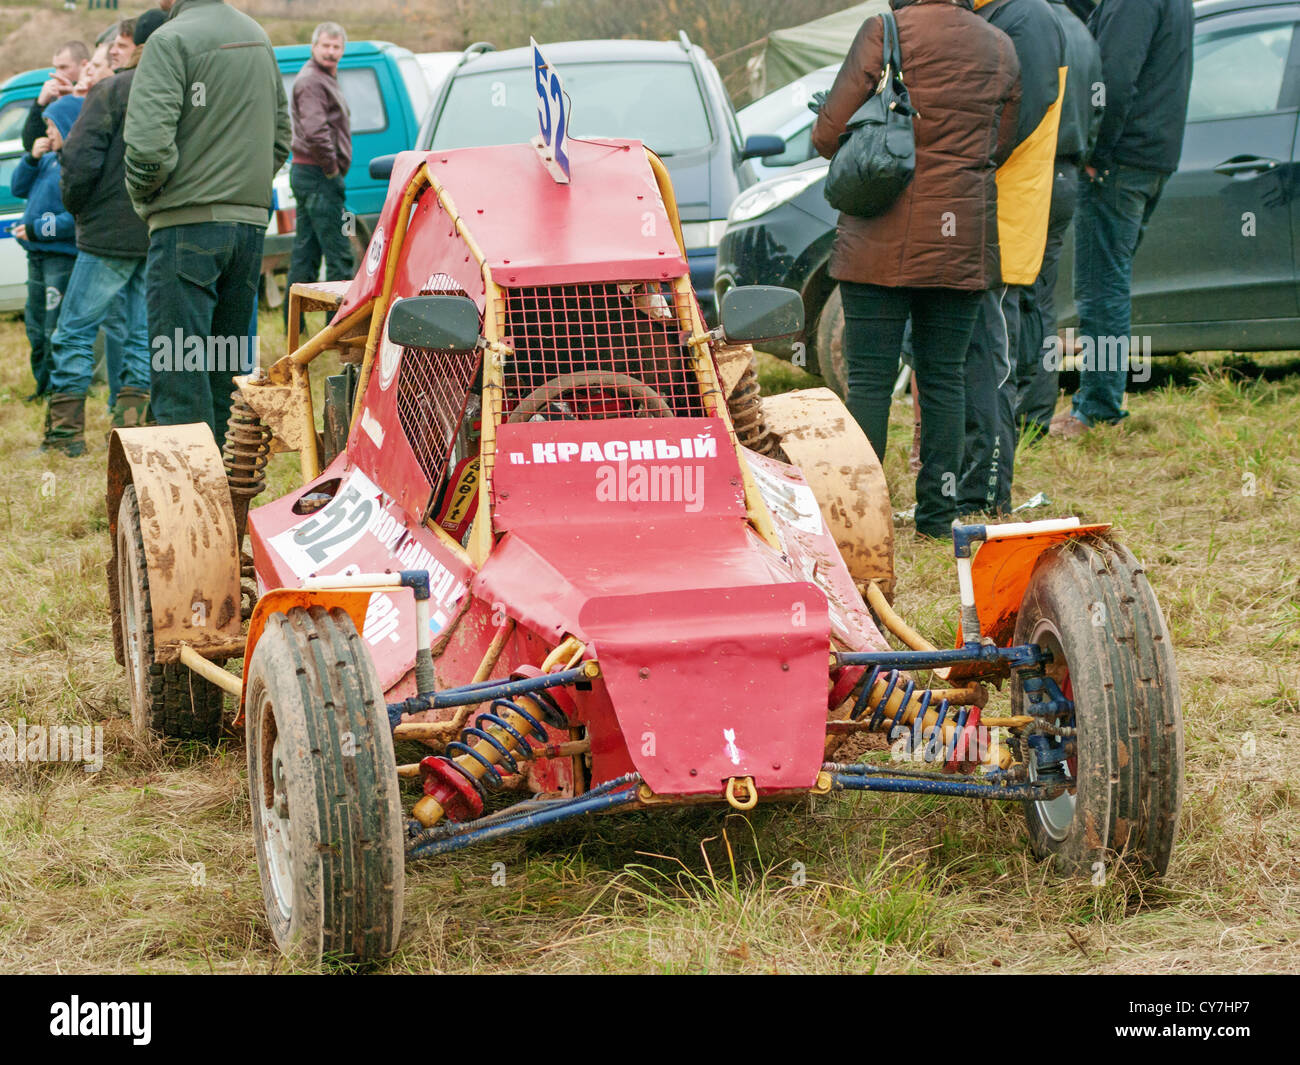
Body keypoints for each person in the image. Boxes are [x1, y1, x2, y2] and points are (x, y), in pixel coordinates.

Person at [811, 0, 1021, 541]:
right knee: (944, 378)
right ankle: (937, 516)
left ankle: (863, 515)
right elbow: (1002, 140)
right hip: (963, 240)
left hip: (879, 239)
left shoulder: (884, 31)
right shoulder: (998, 44)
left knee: (870, 381)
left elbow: (827, 133)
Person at [124, 0, 291, 445]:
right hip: (249, 230)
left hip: (185, 228)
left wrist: (148, 201)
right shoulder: (258, 36)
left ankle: (191, 499)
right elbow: (280, 137)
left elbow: (147, 149)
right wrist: (244, 191)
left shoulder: (168, 39)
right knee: (228, 366)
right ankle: (232, 494)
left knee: (179, 368)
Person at [1052, 0, 1194, 436]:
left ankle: (1096, 408)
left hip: (1120, 161)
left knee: (1100, 288)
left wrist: (1096, 152)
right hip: (1152, 155)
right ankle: (1101, 401)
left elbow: (1112, 80)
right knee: (1110, 282)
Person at [955, 0, 1065, 518]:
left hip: (1003, 218)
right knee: (973, 359)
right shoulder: (1001, 15)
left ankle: (988, 495)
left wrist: (962, 157)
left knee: (991, 365)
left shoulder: (1027, 18)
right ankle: (969, 486)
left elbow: (1023, 111)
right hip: (986, 211)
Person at [48, 8, 169, 453]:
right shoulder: (175, 93)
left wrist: (78, 209)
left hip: (106, 235)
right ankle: (131, 431)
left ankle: (65, 436)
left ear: (134, 45)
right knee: (140, 335)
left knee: (75, 330)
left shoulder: (111, 90)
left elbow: (78, 161)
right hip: (155, 230)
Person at [1015, 0, 1102, 441]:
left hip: (1030, 172)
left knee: (1011, 295)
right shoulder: (1082, 29)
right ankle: (1034, 411)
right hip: (1066, 171)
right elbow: (1099, 106)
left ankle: (1013, 410)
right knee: (1041, 297)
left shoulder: (1025, 24)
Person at [12, 96, 82, 448]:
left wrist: (40, 229)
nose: (47, 131)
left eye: (52, 125)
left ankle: (58, 393)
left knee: (54, 328)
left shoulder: (74, 165)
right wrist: (31, 157)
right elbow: (17, 188)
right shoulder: (47, 161)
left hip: (58, 258)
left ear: (66, 127)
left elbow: (75, 219)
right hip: (36, 258)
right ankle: (43, 389)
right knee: (36, 325)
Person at [285, 21, 354, 335]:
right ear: (314, 47)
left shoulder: (324, 77)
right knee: (339, 254)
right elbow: (315, 131)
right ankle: (337, 332)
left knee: (306, 252)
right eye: (325, 45)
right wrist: (332, 169)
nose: (331, 51)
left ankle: (295, 329)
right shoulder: (313, 80)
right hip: (318, 174)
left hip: (309, 173)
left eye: (336, 46)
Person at [21, 41, 89, 153]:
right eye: (56, 68)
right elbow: (29, 143)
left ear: (84, 65)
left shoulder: (95, 91)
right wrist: (40, 104)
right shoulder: (53, 99)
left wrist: (74, 99)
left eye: (63, 67)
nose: (58, 74)